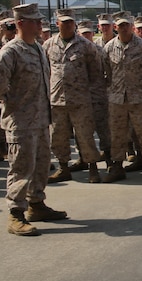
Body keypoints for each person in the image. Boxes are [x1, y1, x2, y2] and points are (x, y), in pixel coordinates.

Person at [0, 3, 68, 236]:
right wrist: (14, 103)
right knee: (21, 168)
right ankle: (16, 214)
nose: (40, 24)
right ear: (21, 23)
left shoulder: (38, 48)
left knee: (41, 165)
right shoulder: (10, 52)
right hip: (21, 122)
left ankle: (36, 205)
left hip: (41, 119)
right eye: (35, 21)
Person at [101, 12, 142, 183]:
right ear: (115, 27)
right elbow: (107, 73)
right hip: (117, 99)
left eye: (127, 25)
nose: (124, 28)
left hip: (139, 98)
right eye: (120, 25)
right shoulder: (109, 48)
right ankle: (117, 167)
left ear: (132, 26)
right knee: (117, 134)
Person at [44, 9, 103, 184]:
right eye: (64, 22)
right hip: (57, 100)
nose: (68, 25)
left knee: (85, 135)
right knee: (58, 136)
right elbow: (45, 71)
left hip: (80, 100)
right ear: (57, 24)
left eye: (71, 21)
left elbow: (95, 73)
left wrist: (89, 94)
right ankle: (63, 167)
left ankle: (92, 167)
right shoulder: (48, 45)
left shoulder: (86, 45)